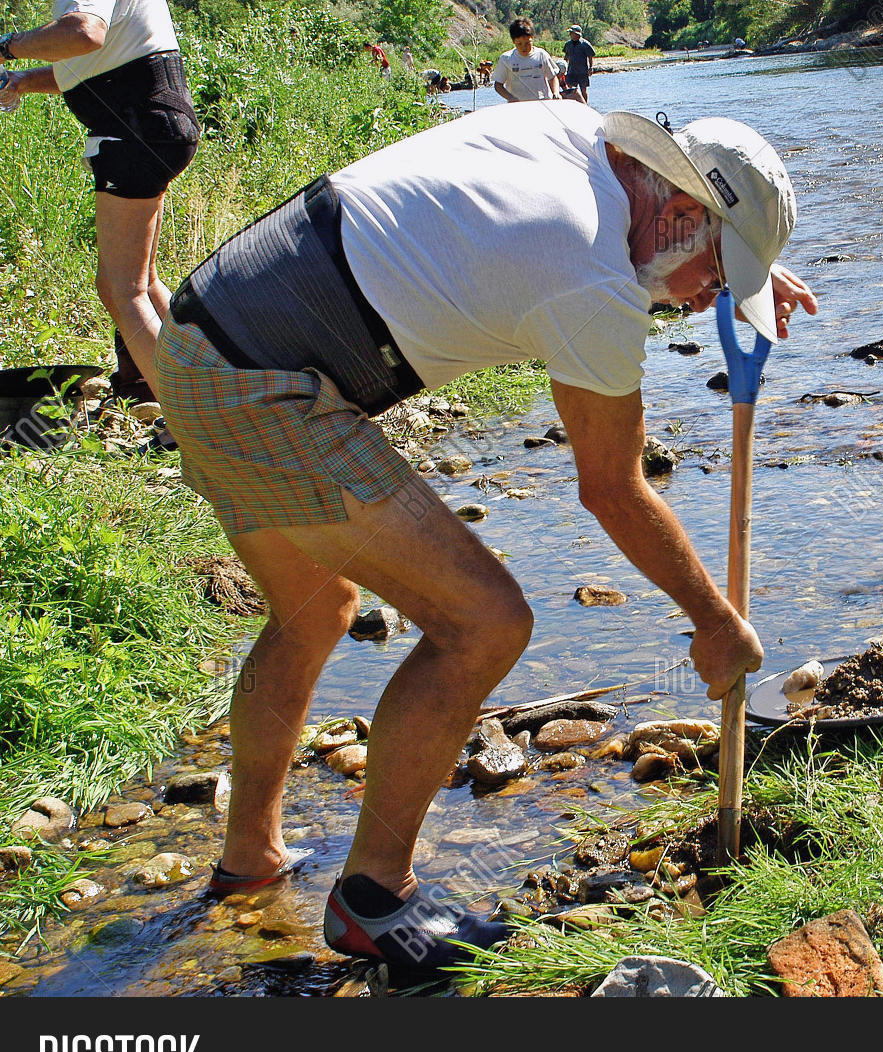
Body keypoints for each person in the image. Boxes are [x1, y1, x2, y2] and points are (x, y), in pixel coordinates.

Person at [153, 101, 818, 973]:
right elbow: (612, 490)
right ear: (682, 214)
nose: (705, 300)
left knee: (310, 614)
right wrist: (714, 618)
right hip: (258, 388)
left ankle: (250, 865)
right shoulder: (589, 276)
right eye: (715, 273)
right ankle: (373, 900)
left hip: (202, 336)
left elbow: (577, 239)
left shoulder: (578, 134)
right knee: (486, 621)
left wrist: (747, 263)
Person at [0, 0, 199, 399]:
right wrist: (20, 80)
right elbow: (82, 68)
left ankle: (190, 421)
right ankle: (197, 384)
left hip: (134, 131)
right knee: (128, 282)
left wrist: (7, 45)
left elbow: (84, 33)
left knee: (126, 290)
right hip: (150, 125)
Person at [494, 17, 557, 102]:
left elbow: (552, 77)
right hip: (518, 105)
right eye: (519, 44)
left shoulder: (542, 55)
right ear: (513, 41)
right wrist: (511, 98)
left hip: (543, 102)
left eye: (527, 43)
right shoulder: (506, 59)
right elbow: (498, 85)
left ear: (532, 38)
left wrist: (556, 92)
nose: (524, 47)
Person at [562, 24, 594, 104]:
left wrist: (591, 68)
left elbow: (590, 56)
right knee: (569, 89)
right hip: (571, 71)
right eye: (570, 33)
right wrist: (563, 68)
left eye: (572, 33)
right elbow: (566, 56)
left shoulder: (585, 44)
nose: (571, 35)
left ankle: (585, 105)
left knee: (583, 89)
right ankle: (571, 104)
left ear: (577, 34)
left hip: (582, 71)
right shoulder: (568, 44)